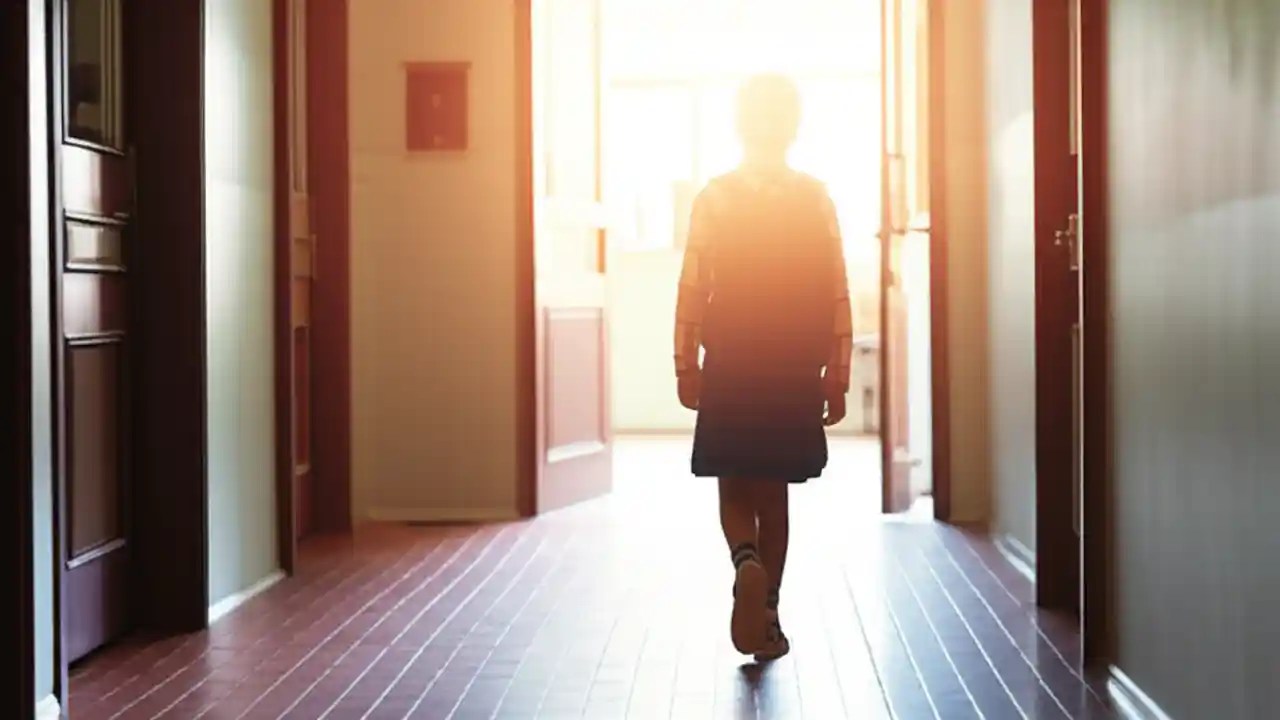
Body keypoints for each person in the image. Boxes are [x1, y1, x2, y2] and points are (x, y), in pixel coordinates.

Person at [673, 74, 853, 662]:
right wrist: (837, 372)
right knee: (774, 495)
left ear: (739, 126)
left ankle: (743, 560)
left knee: (732, 480)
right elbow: (836, 288)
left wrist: (685, 361)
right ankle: (769, 619)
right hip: (792, 361)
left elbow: (693, 284)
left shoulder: (716, 198)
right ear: (793, 127)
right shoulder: (815, 199)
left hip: (732, 355)